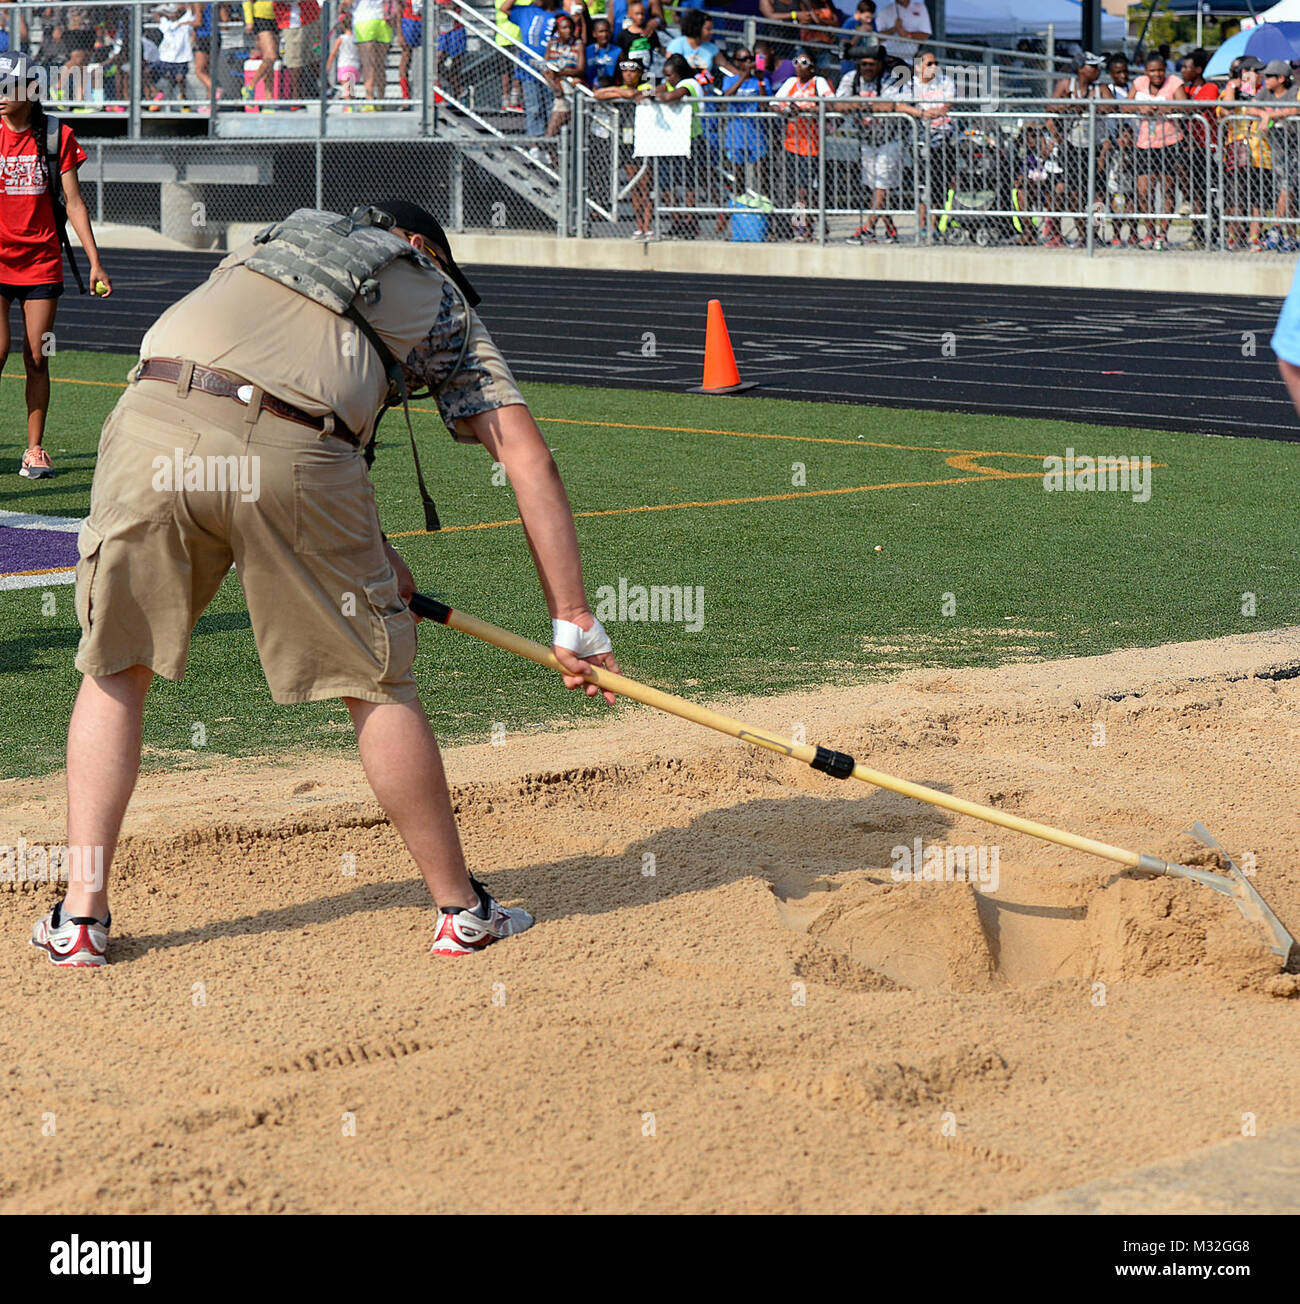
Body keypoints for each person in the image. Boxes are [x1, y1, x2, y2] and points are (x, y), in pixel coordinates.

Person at [30, 199, 620, 968]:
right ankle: (461, 910)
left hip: (149, 422)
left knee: (115, 668)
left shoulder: (270, 246)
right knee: (377, 684)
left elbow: (249, 377)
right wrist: (572, 616)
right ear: (417, 248)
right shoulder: (432, 291)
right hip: (297, 454)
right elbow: (526, 459)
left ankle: (80, 919)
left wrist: (375, 555)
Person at [0, 54, 112, 482]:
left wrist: (96, 262)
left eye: (7, 87)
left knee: (37, 356)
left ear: (29, 90)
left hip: (41, 265)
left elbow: (76, 203)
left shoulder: (55, 136)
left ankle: (34, 450)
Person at [835, 41, 902, 243]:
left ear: (880, 65)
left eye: (871, 64)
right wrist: (868, 105)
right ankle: (891, 229)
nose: (867, 68)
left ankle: (868, 227)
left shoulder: (890, 79)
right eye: (863, 64)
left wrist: (857, 104)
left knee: (881, 184)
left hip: (891, 138)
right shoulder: (851, 79)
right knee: (875, 186)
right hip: (867, 137)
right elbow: (839, 104)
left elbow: (889, 105)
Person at [1047, 52, 1112, 249]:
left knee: (1098, 194)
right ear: (1080, 69)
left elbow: (1112, 106)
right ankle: (1082, 232)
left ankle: (1094, 233)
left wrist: (1093, 106)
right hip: (1073, 146)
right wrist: (1067, 105)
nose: (1097, 71)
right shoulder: (1067, 85)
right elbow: (1050, 106)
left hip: (1098, 146)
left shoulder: (1100, 88)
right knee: (1075, 193)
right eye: (1092, 67)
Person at [774, 50, 833, 241]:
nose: (799, 66)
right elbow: (773, 103)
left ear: (813, 66)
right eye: (796, 62)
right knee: (795, 188)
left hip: (812, 145)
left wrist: (805, 110)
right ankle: (805, 226)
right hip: (791, 143)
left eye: (804, 62)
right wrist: (785, 111)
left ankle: (808, 226)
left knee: (805, 190)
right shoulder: (790, 83)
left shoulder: (818, 82)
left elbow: (829, 104)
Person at [1131, 51, 1186, 251]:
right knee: (1144, 190)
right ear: (1146, 71)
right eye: (1153, 70)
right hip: (1145, 143)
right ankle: (1149, 232)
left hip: (1169, 141)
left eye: (1160, 70)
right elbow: (1126, 106)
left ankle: (1162, 233)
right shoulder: (1138, 83)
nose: (1157, 74)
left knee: (1167, 189)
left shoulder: (1174, 82)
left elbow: (1185, 105)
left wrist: (1169, 109)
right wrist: (1139, 108)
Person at [594, 56, 654, 237]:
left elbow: (634, 94)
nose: (628, 75)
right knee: (634, 186)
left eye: (632, 71)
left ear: (640, 73)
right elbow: (597, 94)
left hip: (644, 140)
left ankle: (648, 225)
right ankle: (639, 226)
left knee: (645, 186)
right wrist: (617, 90)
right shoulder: (621, 89)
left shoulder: (646, 86)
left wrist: (619, 92)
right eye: (625, 71)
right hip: (626, 141)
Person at [1249, 58, 1299, 251]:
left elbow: (1295, 108)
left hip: (1296, 146)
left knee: (1287, 186)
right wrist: (1263, 114)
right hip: (1279, 148)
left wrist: (1271, 115)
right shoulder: (1266, 92)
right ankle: (1292, 236)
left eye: (1269, 76)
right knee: (1287, 190)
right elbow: (1249, 106)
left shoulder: (1293, 91)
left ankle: (1277, 228)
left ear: (1280, 78)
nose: (1265, 79)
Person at [1220, 56, 1269, 251]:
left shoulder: (1265, 93)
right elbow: (1224, 112)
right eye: (1254, 72)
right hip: (1237, 150)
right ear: (1244, 74)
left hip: (1262, 152)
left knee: (1258, 198)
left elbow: (1271, 118)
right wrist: (1233, 87)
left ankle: (1254, 237)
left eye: (1259, 72)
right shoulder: (1230, 93)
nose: (1259, 76)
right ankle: (1234, 236)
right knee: (1235, 198)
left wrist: (1263, 114)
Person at [656, 51, 705, 236]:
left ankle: (690, 221)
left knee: (689, 184)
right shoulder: (670, 84)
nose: (667, 79)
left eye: (670, 75)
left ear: (680, 73)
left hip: (691, 139)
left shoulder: (688, 83)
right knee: (666, 183)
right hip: (671, 141)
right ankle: (676, 221)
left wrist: (654, 96)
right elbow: (655, 90)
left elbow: (670, 97)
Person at [500, 0, 560, 138]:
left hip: (552, 70)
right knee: (534, 108)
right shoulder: (526, 11)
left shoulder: (559, 14)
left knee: (551, 108)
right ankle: (535, 145)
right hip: (530, 69)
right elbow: (505, 9)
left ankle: (550, 142)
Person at [1178, 47, 1218, 249]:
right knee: (1194, 192)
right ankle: (1199, 231)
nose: (1182, 71)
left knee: (1203, 192)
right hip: (1187, 147)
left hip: (1205, 147)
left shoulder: (1210, 88)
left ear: (1199, 70)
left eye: (1187, 67)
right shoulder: (1184, 89)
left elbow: (1194, 108)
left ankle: (1211, 228)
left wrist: (1180, 105)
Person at [278, 0, 322, 102]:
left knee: (295, 59)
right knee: (307, 57)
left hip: (297, 19)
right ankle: (326, 87)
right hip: (296, 19)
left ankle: (296, 97)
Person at [351, 0, 393, 104]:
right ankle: (381, 98)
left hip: (364, 20)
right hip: (383, 21)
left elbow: (347, 2)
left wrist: (341, 8)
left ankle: (370, 100)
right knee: (380, 64)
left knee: (368, 65)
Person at [242, 0, 279, 102]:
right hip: (261, 17)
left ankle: (268, 98)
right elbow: (247, 2)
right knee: (271, 56)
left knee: (269, 61)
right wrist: (249, 21)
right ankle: (250, 87)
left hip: (275, 17)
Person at [874, 0, 928, 65]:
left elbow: (925, 35)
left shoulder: (921, 8)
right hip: (889, 58)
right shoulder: (885, 11)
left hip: (911, 59)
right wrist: (894, 29)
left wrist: (908, 35)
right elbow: (877, 37)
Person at [327, 8, 361, 101]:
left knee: (346, 90)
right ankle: (351, 104)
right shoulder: (356, 39)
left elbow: (333, 53)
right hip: (354, 65)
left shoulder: (340, 39)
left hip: (344, 65)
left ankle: (348, 106)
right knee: (351, 89)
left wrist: (328, 66)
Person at [397, 0, 421, 101]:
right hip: (409, 22)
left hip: (425, 22)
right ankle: (405, 95)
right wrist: (400, 33)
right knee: (405, 60)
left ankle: (434, 95)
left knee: (430, 62)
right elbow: (399, 10)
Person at [585, 17, 620, 85]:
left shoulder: (618, 51)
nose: (604, 34)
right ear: (594, 34)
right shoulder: (587, 50)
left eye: (606, 31)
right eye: (601, 31)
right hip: (589, 90)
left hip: (610, 91)